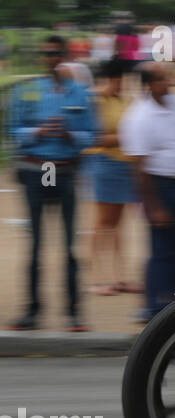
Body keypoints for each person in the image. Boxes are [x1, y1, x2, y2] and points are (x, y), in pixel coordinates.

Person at [7, 35, 97, 331]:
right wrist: (39, 131)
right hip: (37, 169)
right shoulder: (28, 91)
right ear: (41, 58)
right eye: (46, 54)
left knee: (69, 245)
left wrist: (72, 135)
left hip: (65, 171)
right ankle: (32, 311)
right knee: (36, 244)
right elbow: (14, 131)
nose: (51, 58)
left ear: (65, 56)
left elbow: (91, 133)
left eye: (56, 53)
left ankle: (73, 313)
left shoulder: (80, 94)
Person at [120, 62, 175, 321]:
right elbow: (139, 169)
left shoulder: (174, 102)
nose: (169, 81)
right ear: (149, 85)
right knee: (161, 250)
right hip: (159, 188)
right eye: (163, 78)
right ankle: (155, 308)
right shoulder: (139, 117)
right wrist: (153, 206)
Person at [86, 58, 142, 297]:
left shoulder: (127, 100)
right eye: (121, 79)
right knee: (103, 222)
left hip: (125, 164)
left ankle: (119, 278)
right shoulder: (95, 101)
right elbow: (95, 138)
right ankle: (97, 279)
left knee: (119, 224)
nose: (124, 83)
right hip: (105, 163)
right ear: (111, 78)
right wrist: (126, 137)